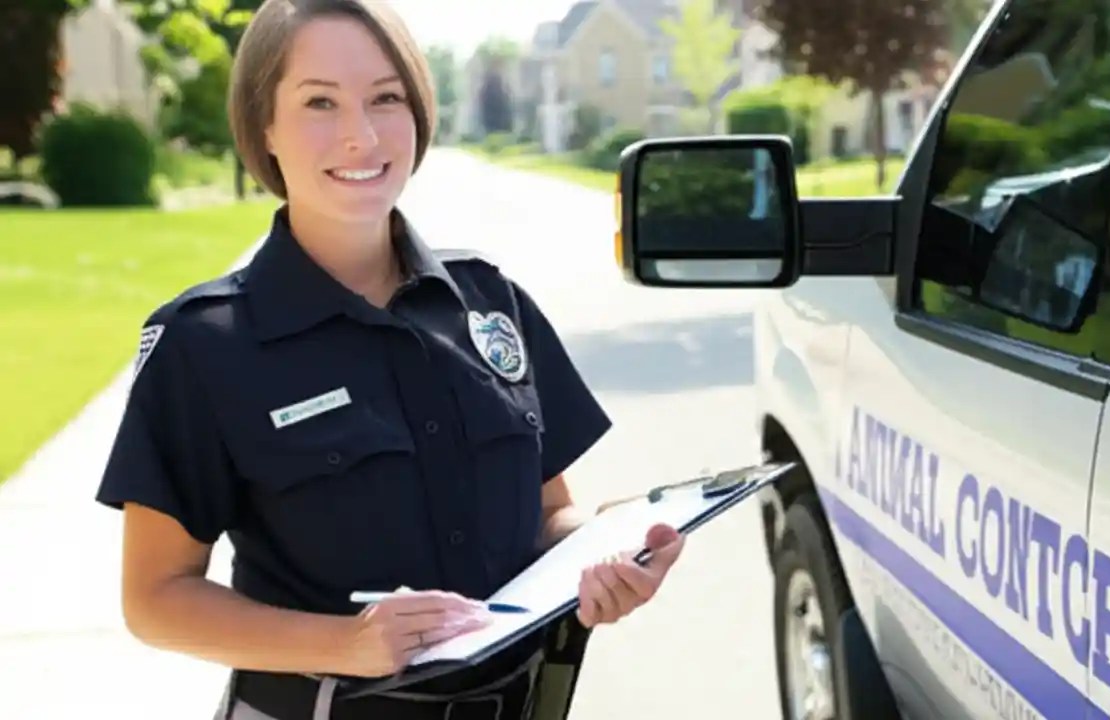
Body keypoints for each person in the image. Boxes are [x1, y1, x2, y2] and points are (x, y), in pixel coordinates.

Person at [93, 1, 686, 718]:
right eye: (320, 102)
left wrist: (602, 554)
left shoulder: (489, 301)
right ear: (265, 127)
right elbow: (156, 600)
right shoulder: (206, 343)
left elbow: (546, 513)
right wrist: (346, 644)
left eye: (386, 98)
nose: (361, 135)